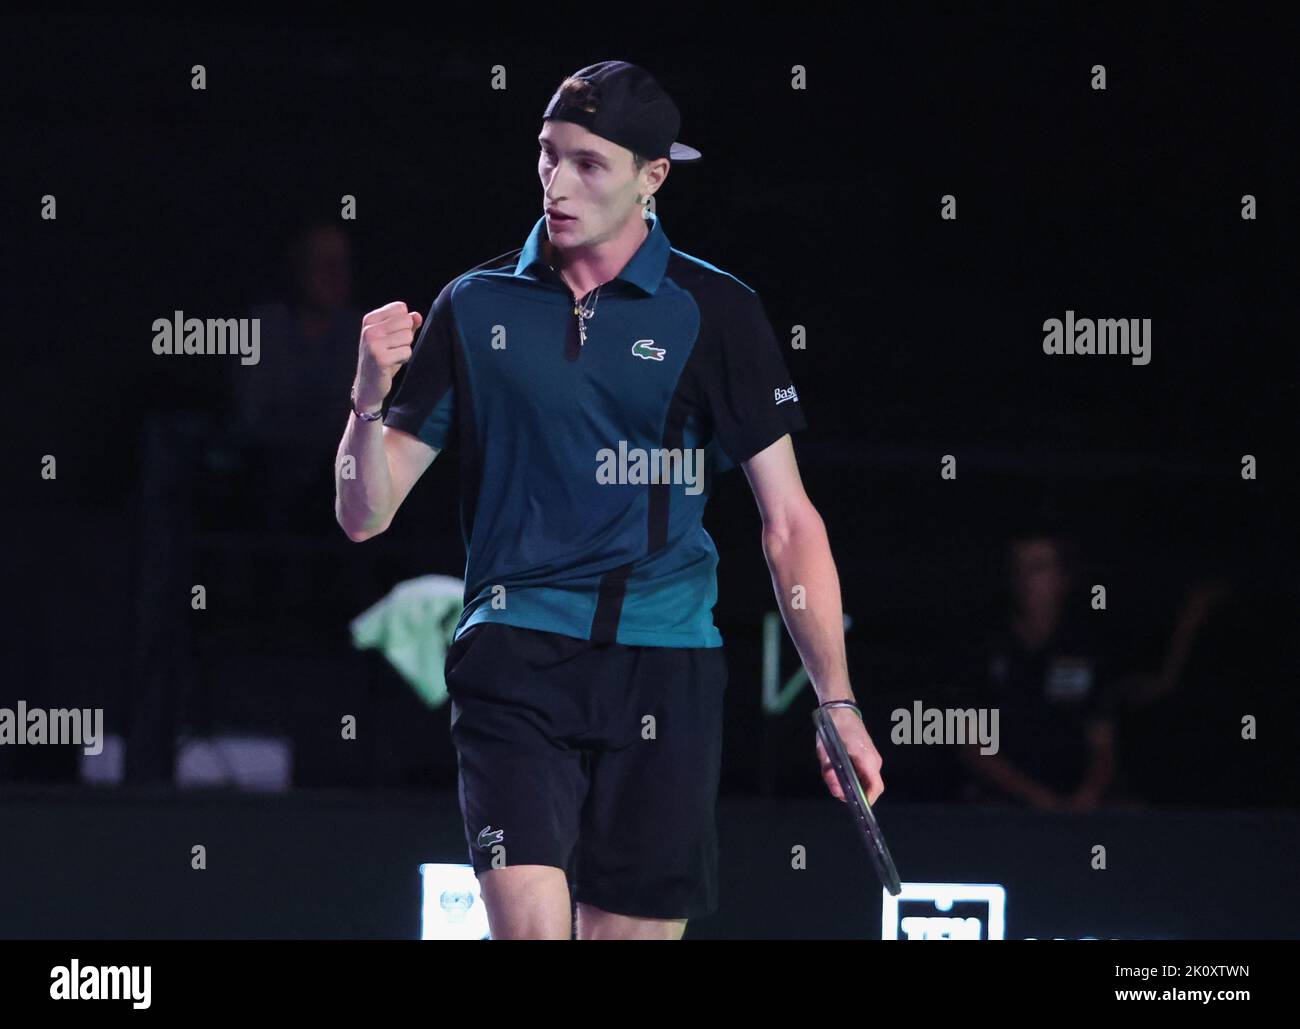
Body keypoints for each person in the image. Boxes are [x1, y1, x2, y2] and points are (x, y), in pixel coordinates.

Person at [334, 61, 883, 939]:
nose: (558, 181)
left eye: (589, 163)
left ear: (652, 176)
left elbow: (788, 522)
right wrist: (366, 400)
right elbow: (365, 513)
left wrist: (838, 701)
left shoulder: (717, 312)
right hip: (513, 656)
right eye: (549, 155)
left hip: (665, 665)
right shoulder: (473, 306)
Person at [955, 532, 1117, 810]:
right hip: (998, 806)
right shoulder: (983, 646)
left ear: (1064, 578)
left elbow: (1104, 744)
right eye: (1018, 568)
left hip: (1079, 807)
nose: (1025, 579)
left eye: (1038, 567)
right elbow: (971, 745)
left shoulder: (1086, 647)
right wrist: (1039, 800)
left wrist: (1087, 796)